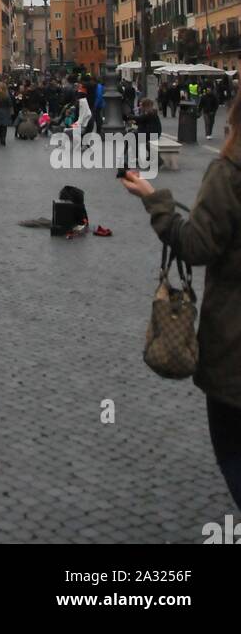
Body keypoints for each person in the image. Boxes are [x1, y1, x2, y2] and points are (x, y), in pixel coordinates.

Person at [123, 89, 241, 506]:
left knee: (232, 449)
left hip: (234, 349)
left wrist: (155, 201)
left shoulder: (230, 173)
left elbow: (195, 246)